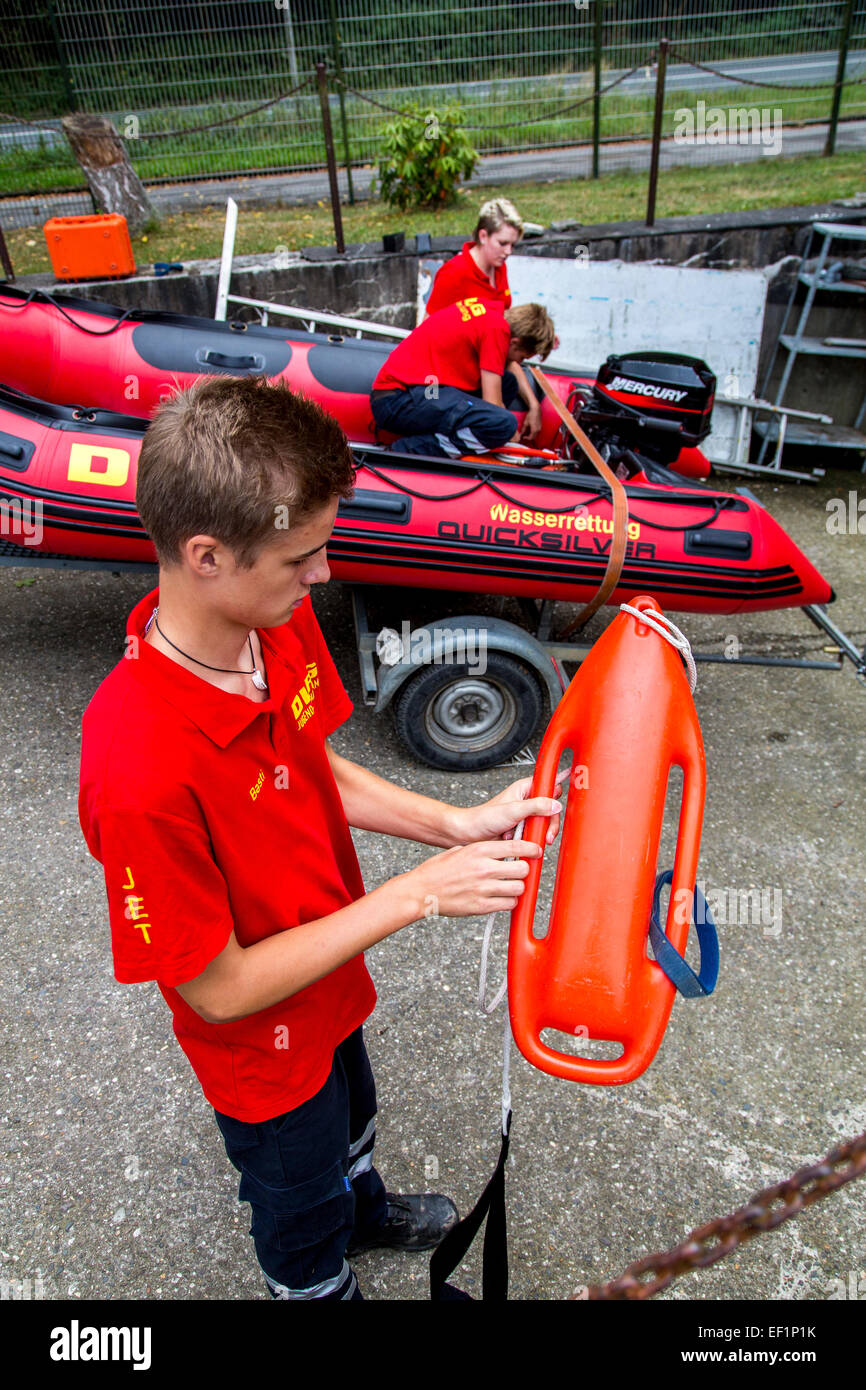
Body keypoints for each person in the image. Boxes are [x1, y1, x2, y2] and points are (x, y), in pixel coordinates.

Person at [78, 376, 564, 1302]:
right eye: (302, 557)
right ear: (207, 554)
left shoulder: (273, 620)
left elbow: (314, 764)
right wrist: (417, 893)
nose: (324, 576)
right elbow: (219, 990)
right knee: (295, 1200)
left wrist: (453, 822)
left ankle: (364, 1204)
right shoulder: (136, 768)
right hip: (259, 1051)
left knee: (353, 1123)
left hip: (331, 980)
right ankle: (316, 1283)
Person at [370, 300, 556, 459]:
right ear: (514, 342)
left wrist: (534, 405)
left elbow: (508, 369)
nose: (518, 362)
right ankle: (405, 451)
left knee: (508, 383)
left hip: (418, 389)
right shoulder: (496, 331)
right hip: (400, 398)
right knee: (503, 424)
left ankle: (461, 438)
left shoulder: (490, 310)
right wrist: (512, 438)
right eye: (522, 357)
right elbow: (493, 402)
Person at [424, 197, 523, 319]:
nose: (508, 251)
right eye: (502, 243)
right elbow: (427, 329)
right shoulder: (453, 274)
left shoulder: (499, 266)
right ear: (483, 236)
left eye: (513, 245)